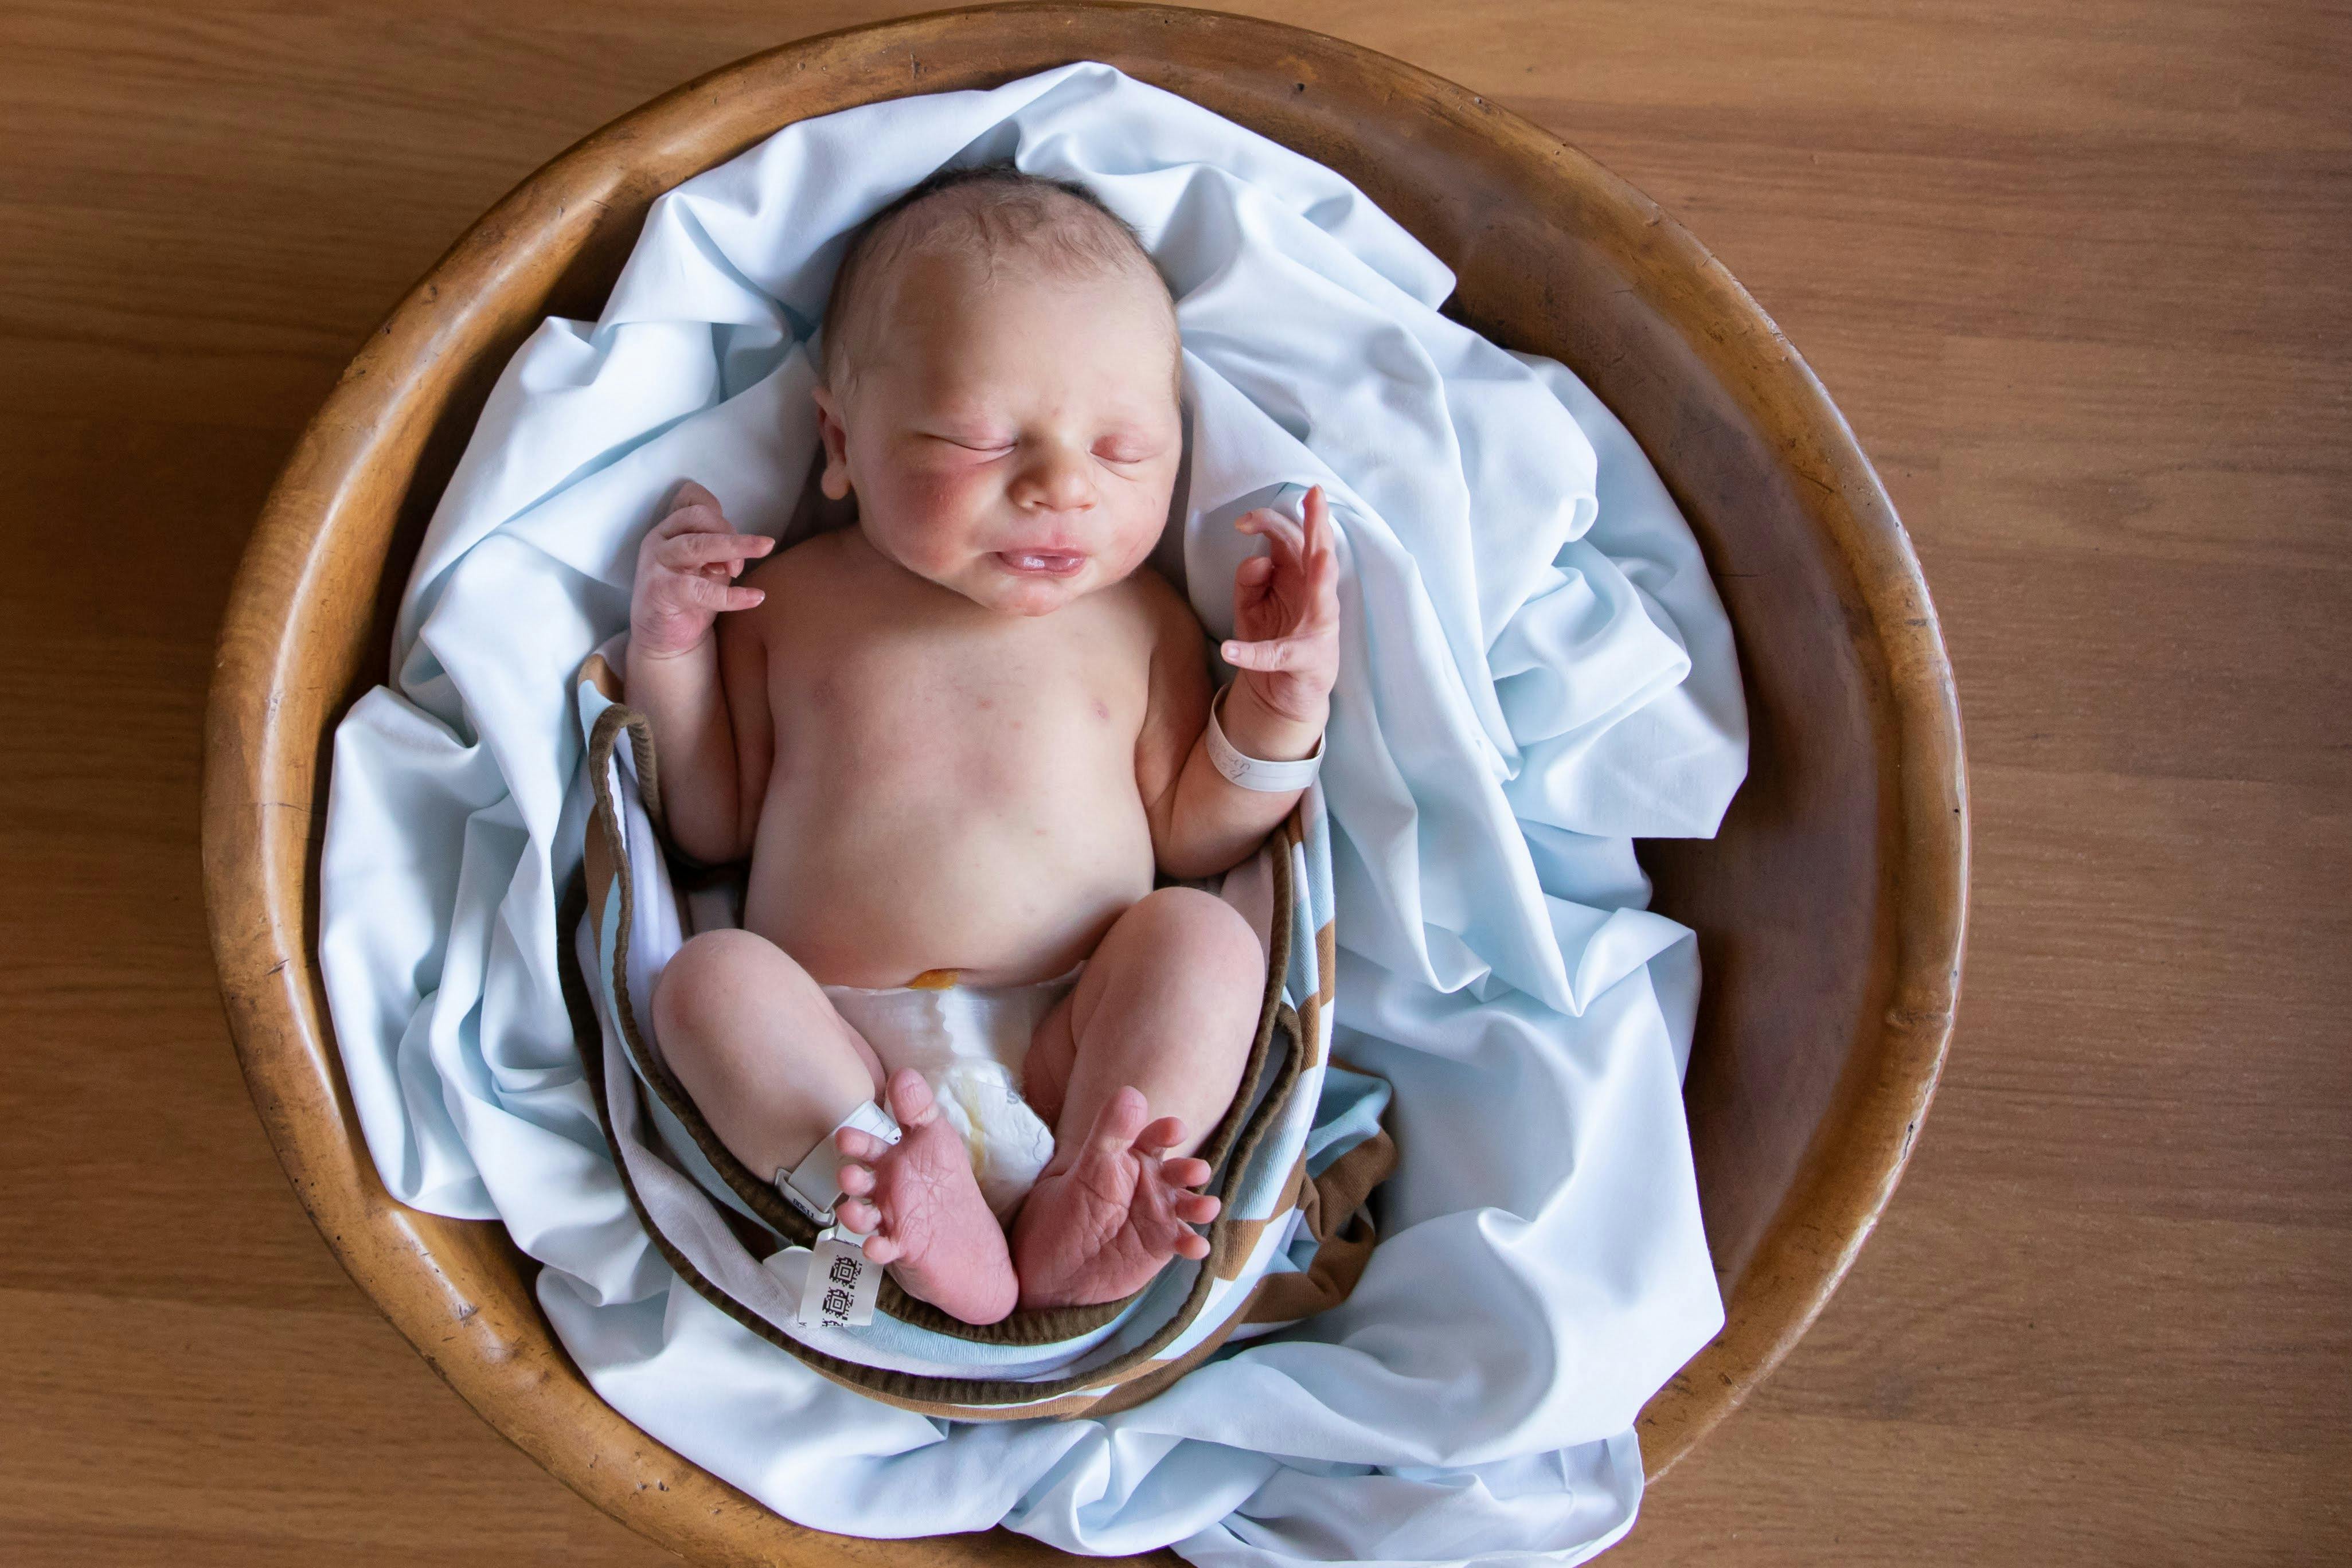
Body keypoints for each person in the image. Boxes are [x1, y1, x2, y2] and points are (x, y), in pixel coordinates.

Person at [626, 163, 1339, 1325]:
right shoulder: (791, 605)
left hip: (1080, 1035)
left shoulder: (1142, 623)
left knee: (1202, 938)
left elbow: (1199, 832)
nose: (1060, 485)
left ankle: (1096, 1188)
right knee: (709, 986)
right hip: (836, 1043)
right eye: (979, 436)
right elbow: (710, 823)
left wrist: (1284, 699)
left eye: (1119, 452)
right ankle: (899, 1215)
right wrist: (668, 652)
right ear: (840, 443)